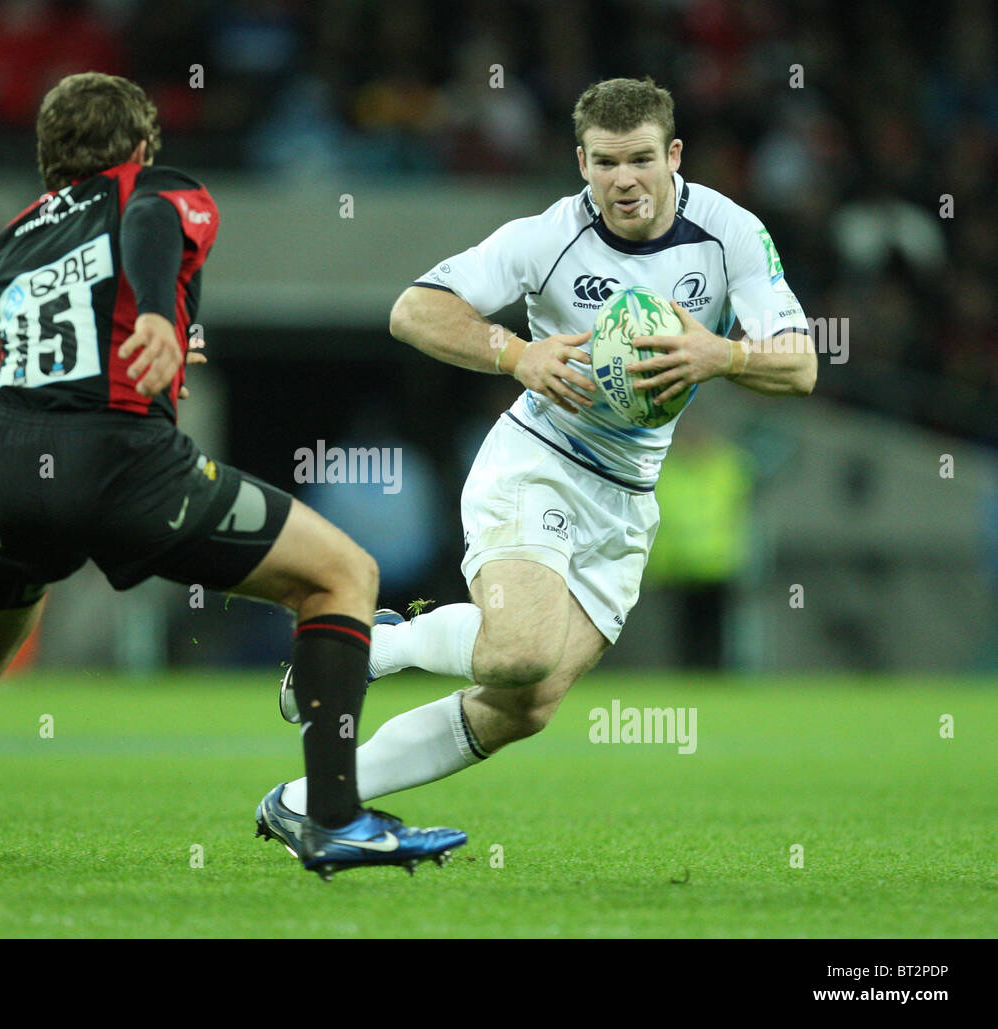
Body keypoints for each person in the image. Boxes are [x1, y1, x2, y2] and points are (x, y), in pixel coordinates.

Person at [0, 72, 464, 880]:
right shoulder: (157, 188)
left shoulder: (14, 236)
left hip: (4, 462)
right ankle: (333, 815)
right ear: (140, 145)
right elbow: (151, 218)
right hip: (116, 458)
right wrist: (160, 310)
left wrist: (165, 319)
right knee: (343, 574)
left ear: (50, 161)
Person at [259, 77, 815, 836]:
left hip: (628, 497)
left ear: (674, 155)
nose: (626, 180)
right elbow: (413, 309)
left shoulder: (732, 235)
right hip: (538, 461)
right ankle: (373, 644)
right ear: (581, 161)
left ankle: (306, 800)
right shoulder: (548, 238)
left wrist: (720, 353)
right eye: (607, 162)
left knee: (527, 703)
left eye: (643, 160)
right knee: (517, 653)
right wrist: (515, 354)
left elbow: (801, 366)